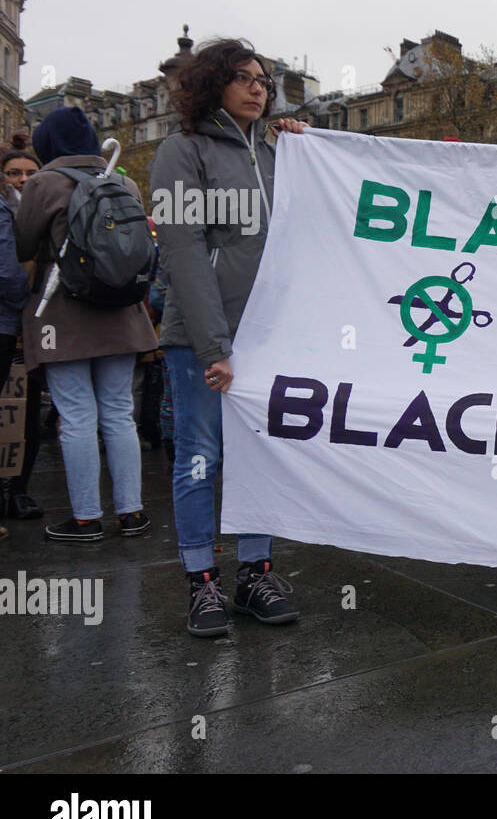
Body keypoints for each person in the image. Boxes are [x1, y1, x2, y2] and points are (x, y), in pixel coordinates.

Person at [149, 38, 308, 637]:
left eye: (264, 79)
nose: (258, 87)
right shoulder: (177, 152)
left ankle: (253, 573)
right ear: (212, 83)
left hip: (268, 335)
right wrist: (216, 347)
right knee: (199, 455)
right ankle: (201, 581)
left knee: (257, 453)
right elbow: (183, 252)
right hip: (200, 338)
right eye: (242, 77)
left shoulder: (278, 153)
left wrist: (305, 145)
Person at [13, 107, 158, 541]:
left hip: (63, 313)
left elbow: (23, 243)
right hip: (121, 312)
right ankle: (132, 513)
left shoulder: (43, 183)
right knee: (118, 413)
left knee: (75, 416)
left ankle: (85, 518)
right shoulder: (125, 181)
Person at [0, 140, 46, 519]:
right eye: (14, 172)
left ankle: (19, 489)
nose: (22, 180)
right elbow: (7, 273)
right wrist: (26, 302)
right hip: (11, 323)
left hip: (28, 327)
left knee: (28, 413)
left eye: (30, 173)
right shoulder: (3, 211)